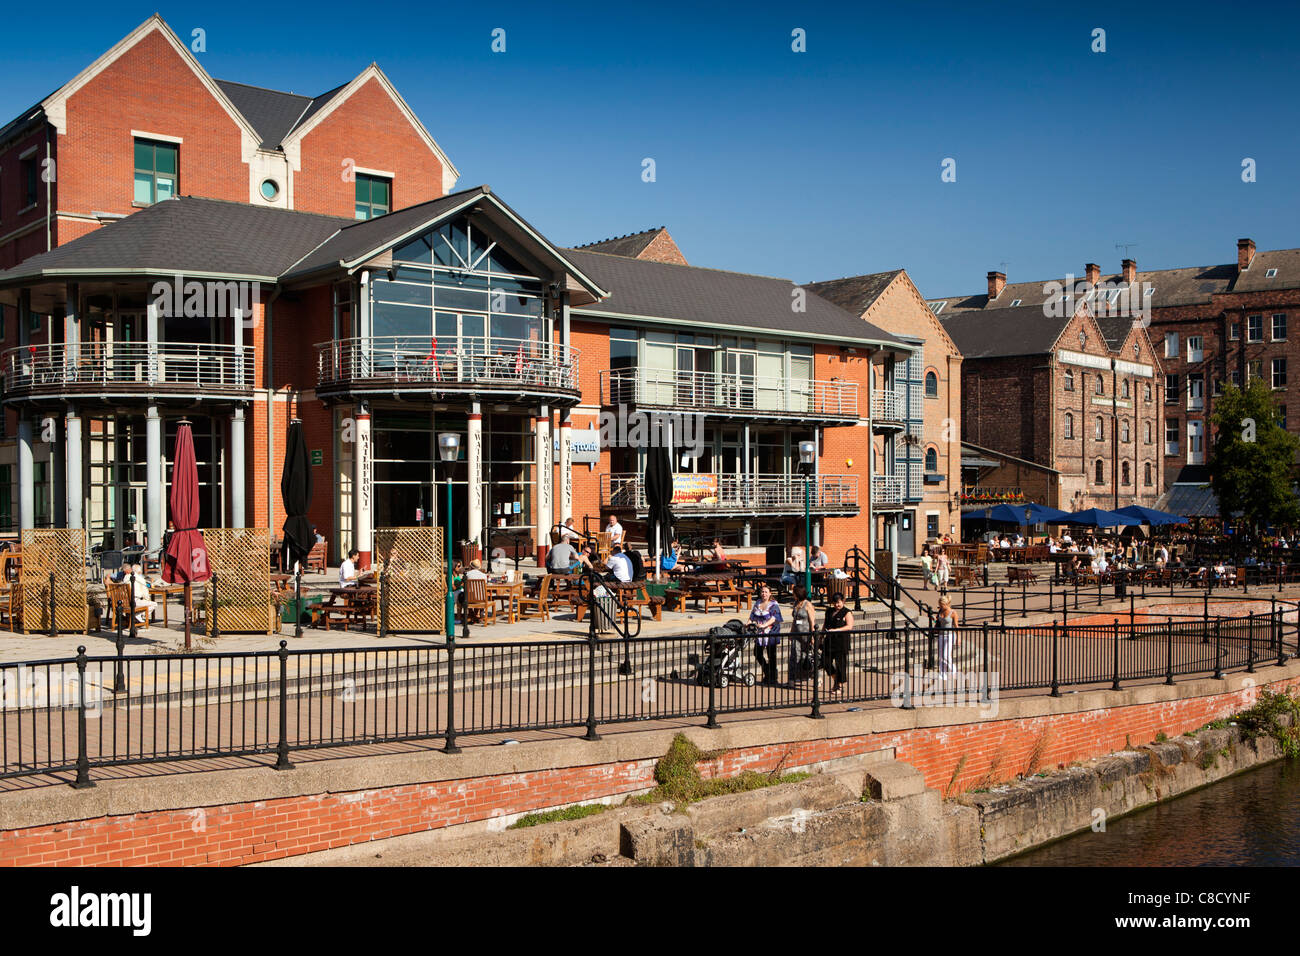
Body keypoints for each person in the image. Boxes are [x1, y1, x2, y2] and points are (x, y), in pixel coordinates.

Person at [748, 584, 783, 685]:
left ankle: (772, 677)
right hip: (760, 633)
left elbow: (774, 618)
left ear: (770, 593)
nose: (764, 594)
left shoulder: (774, 604)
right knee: (757, 653)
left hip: (771, 632)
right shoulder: (757, 603)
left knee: (771, 655)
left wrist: (765, 625)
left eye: (766, 592)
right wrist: (748, 623)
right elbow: (752, 615)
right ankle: (767, 671)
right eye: (762, 592)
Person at [822, 591, 853, 694]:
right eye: (835, 603)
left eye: (839, 602)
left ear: (843, 601)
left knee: (840, 664)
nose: (836, 605)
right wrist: (820, 636)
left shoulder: (847, 612)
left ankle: (839, 686)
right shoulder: (829, 611)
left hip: (841, 641)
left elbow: (849, 626)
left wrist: (836, 630)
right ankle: (836, 679)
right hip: (829, 641)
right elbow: (825, 624)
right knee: (825, 661)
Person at [786, 585, 817, 684]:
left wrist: (813, 635)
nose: (793, 595)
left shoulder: (807, 605)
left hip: (806, 634)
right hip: (796, 634)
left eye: (794, 593)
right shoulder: (796, 603)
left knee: (806, 656)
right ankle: (792, 679)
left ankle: (811, 676)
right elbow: (794, 620)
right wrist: (791, 632)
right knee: (794, 656)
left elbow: (812, 621)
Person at [935, 595, 957, 678]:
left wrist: (958, 638)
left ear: (946, 604)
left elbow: (956, 626)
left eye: (942, 605)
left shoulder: (953, 612)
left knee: (945, 655)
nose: (940, 606)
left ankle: (953, 668)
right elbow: (937, 621)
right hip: (941, 635)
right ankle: (942, 673)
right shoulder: (940, 611)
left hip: (949, 635)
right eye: (940, 605)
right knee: (941, 656)